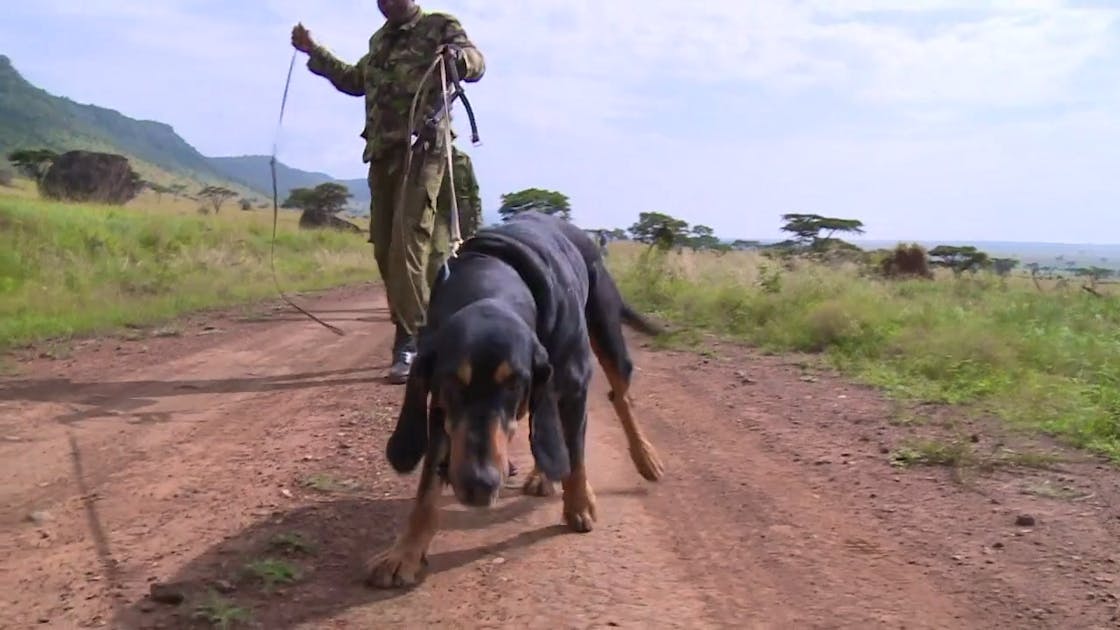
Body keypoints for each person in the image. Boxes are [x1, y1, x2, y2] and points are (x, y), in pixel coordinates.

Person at [291, 0, 485, 384]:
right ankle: (421, 324)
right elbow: (353, 80)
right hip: (382, 155)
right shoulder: (379, 41)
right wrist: (314, 51)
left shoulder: (438, 26)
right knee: (383, 246)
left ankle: (412, 340)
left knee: (406, 242)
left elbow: (477, 63)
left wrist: (457, 60)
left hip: (424, 149)